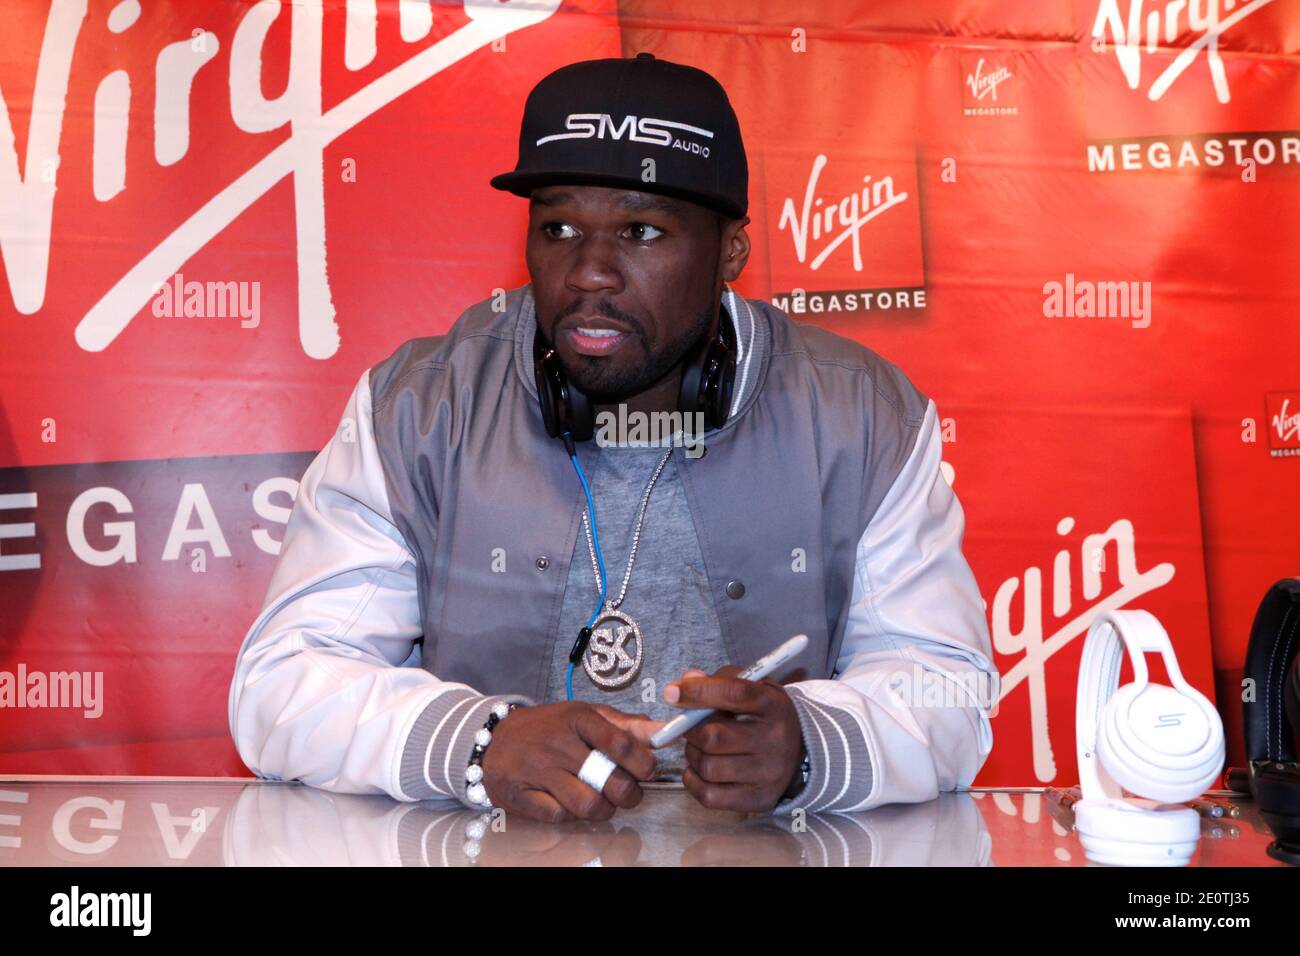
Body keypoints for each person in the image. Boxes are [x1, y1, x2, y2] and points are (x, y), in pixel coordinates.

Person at [228, 53, 998, 823]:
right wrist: (476, 742)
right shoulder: (421, 407)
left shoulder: (860, 415)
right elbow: (281, 685)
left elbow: (948, 689)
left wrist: (813, 746)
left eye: (641, 229)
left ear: (731, 250)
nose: (590, 272)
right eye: (558, 227)